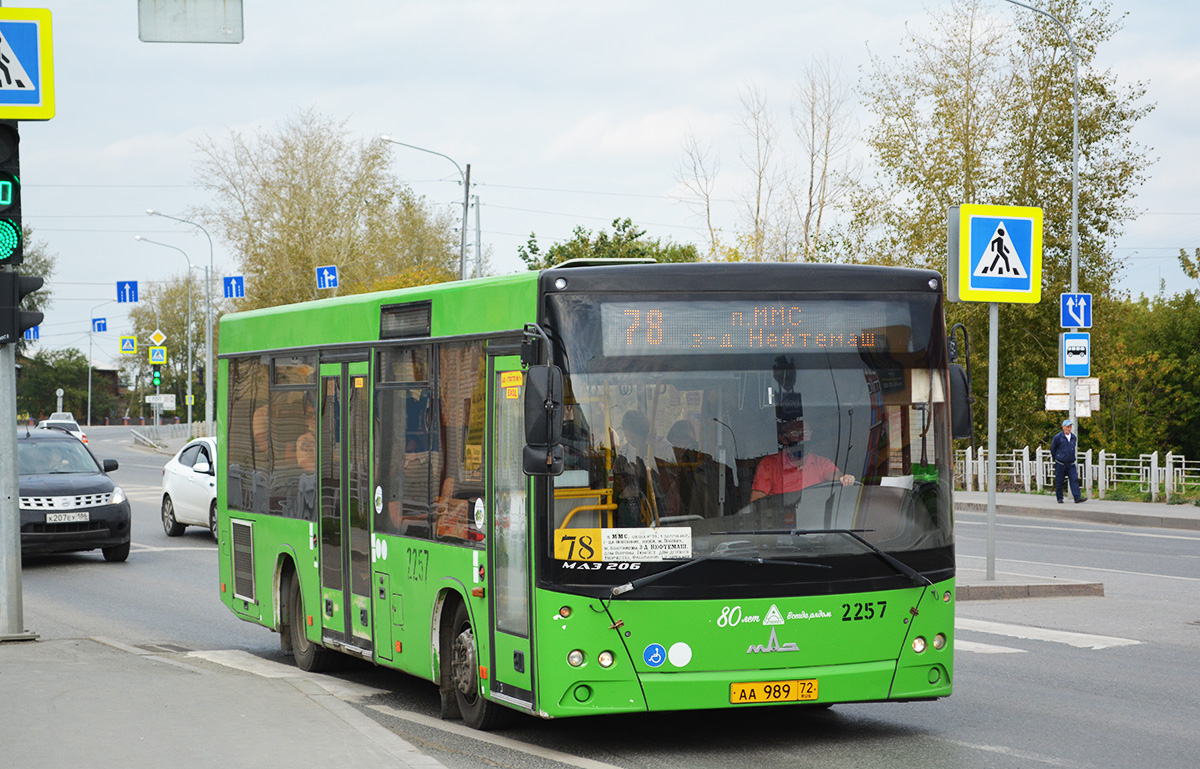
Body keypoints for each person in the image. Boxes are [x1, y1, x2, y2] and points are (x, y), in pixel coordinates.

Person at [750, 418, 855, 501]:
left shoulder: (821, 463)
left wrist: (844, 478)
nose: (802, 437)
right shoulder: (769, 464)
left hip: (819, 523)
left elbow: (835, 475)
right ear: (783, 439)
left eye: (806, 433)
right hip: (781, 524)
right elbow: (757, 503)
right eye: (795, 433)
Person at [1052, 418, 1085, 503]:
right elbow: (1053, 449)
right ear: (1063, 427)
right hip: (1060, 463)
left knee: (1074, 479)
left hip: (1070, 463)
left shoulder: (1073, 437)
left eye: (1070, 427)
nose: (1069, 429)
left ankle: (1077, 497)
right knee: (1059, 481)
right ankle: (1060, 498)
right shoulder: (1058, 437)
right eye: (1067, 427)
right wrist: (1057, 457)